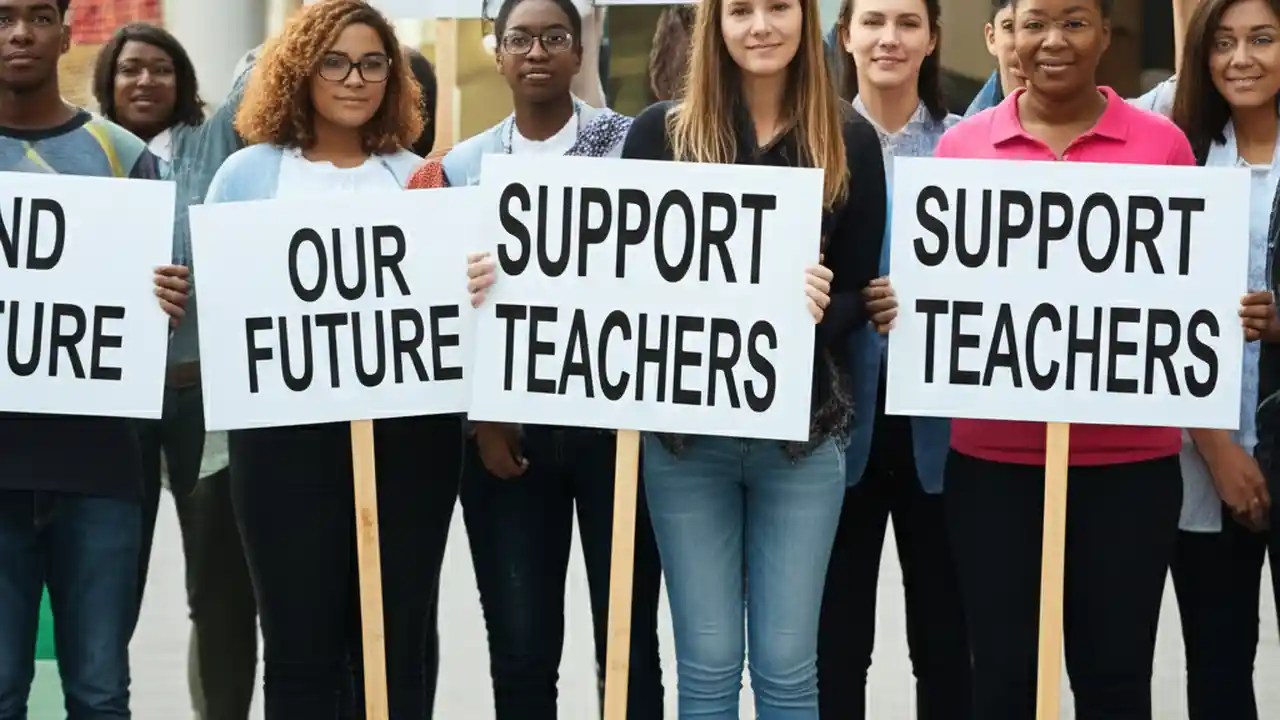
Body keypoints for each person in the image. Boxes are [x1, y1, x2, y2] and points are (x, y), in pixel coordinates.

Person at [862, 0, 1280, 716]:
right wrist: (897, 306)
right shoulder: (961, 152)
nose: (1052, 40)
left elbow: (1188, 300)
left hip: (1130, 471)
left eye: (1074, 21)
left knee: (1115, 682)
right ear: (1008, 35)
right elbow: (938, 292)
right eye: (1034, 22)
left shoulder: (1161, 146)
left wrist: (1224, 314)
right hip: (992, 466)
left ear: (1104, 34)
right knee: (999, 678)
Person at [476, 0, 882, 714]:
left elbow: (857, 299)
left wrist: (822, 304)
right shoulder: (660, 133)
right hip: (686, 444)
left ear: (806, 18)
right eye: (741, 11)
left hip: (804, 438)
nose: (760, 26)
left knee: (789, 668)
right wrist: (499, 275)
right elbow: (610, 277)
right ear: (716, 26)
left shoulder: (848, 137)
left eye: (779, 8)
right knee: (708, 663)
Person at [410, 0, 666, 716]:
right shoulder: (460, 170)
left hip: (620, 433)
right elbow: (438, 313)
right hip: (505, 442)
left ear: (579, 50)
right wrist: (481, 419)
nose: (537, 52)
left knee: (628, 641)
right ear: (495, 52)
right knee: (522, 651)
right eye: (519, 38)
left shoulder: (632, 148)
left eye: (555, 37)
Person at [204, 1, 460, 716]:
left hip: (409, 444)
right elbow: (220, 303)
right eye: (336, 62)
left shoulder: (424, 179)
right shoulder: (245, 176)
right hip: (284, 446)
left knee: (399, 636)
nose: (356, 78)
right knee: (298, 640)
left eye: (374, 62)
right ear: (300, 71)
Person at [0, 0, 189, 716]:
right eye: (2, 16)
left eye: (37, 16)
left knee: (101, 692)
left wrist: (166, 304)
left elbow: (147, 319)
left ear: (65, 30)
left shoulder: (122, 155)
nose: (19, 33)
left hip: (99, 468)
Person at [91, 22, 258, 719]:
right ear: (108, 79)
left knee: (220, 591)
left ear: (184, 80)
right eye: (130, 69)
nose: (144, 82)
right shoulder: (87, 153)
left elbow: (259, 70)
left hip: (204, 400)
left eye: (161, 69)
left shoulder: (215, 141)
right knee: (104, 583)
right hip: (111, 404)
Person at [817, 1, 970, 718]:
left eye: (908, 22)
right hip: (830, 430)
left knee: (948, 643)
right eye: (872, 21)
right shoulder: (805, 148)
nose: (889, 38)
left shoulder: (971, 149)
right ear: (844, 36)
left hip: (943, 435)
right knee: (832, 647)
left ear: (933, 38)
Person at [1128, 0, 1280, 716]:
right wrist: (1217, 448)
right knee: (1217, 668)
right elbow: (1157, 307)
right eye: (1222, 43)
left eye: (1261, 39)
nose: (1240, 59)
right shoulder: (1176, 147)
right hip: (1203, 457)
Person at [965, 0, 1023, 116]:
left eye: (1036, 26)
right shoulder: (971, 130)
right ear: (992, 38)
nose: (1024, 44)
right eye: (1010, 27)